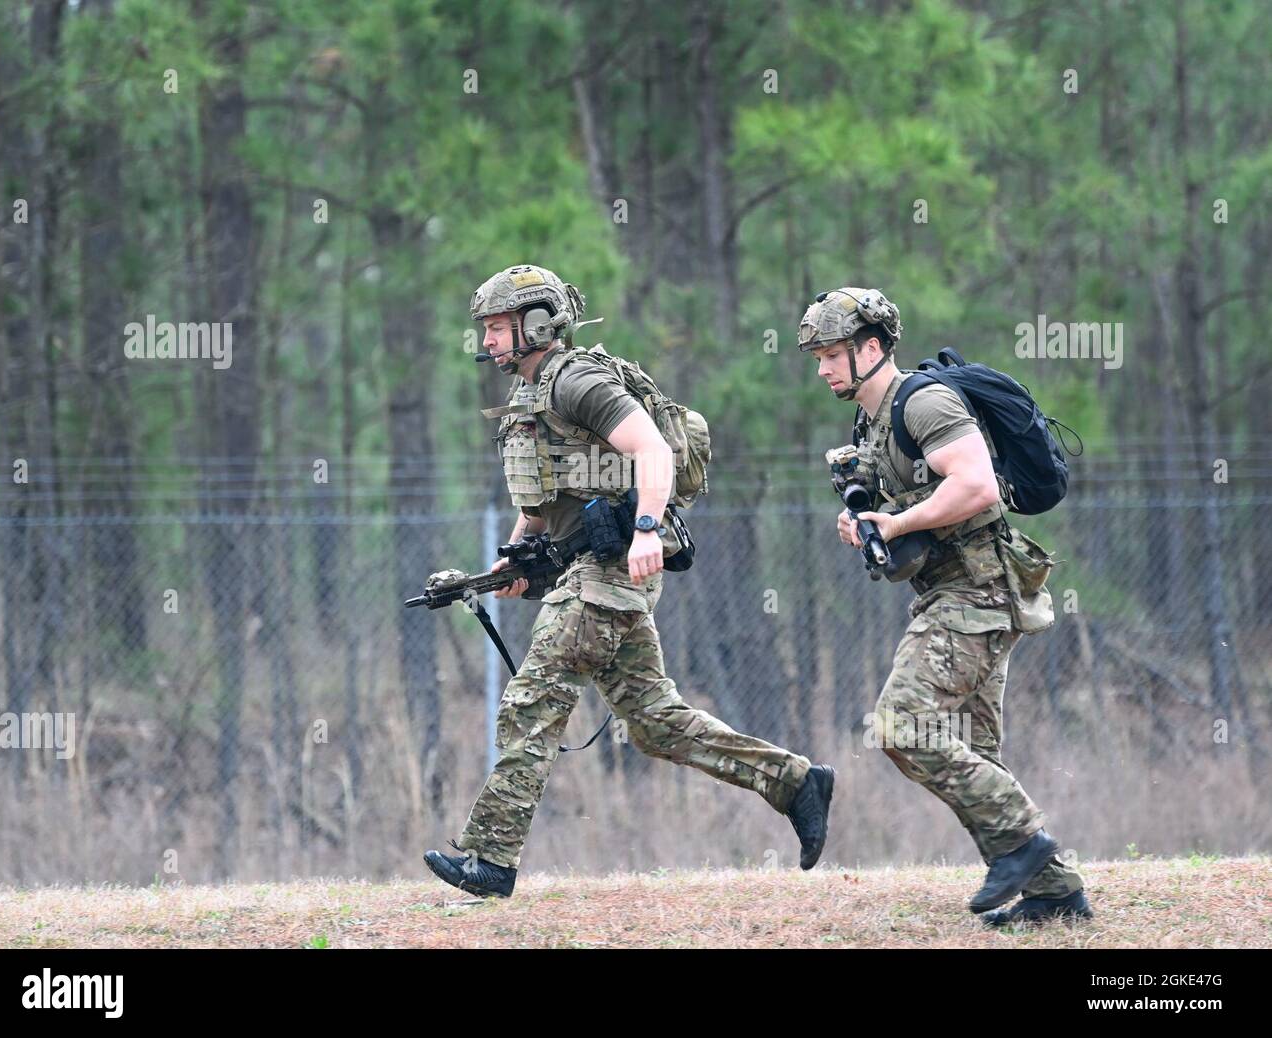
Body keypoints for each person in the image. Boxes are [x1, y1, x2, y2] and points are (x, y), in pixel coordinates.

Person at [423, 263, 833, 898]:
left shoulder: (577, 379)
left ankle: (491, 859)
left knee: (534, 699)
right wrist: (514, 557)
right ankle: (795, 781)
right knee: (655, 723)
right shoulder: (531, 396)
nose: (489, 340)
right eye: (486, 329)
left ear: (536, 323)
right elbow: (540, 501)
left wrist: (645, 528)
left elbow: (653, 451)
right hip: (588, 571)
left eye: (499, 327)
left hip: (612, 569)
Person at [798, 286, 1092, 926]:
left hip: (979, 590)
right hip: (954, 590)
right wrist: (867, 523)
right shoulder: (870, 422)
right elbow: (900, 505)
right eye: (816, 356)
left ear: (870, 348)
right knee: (971, 748)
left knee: (901, 724)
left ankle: (1023, 841)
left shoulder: (923, 402)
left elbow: (978, 484)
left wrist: (897, 525)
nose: (821, 368)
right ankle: (1056, 893)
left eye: (830, 354)